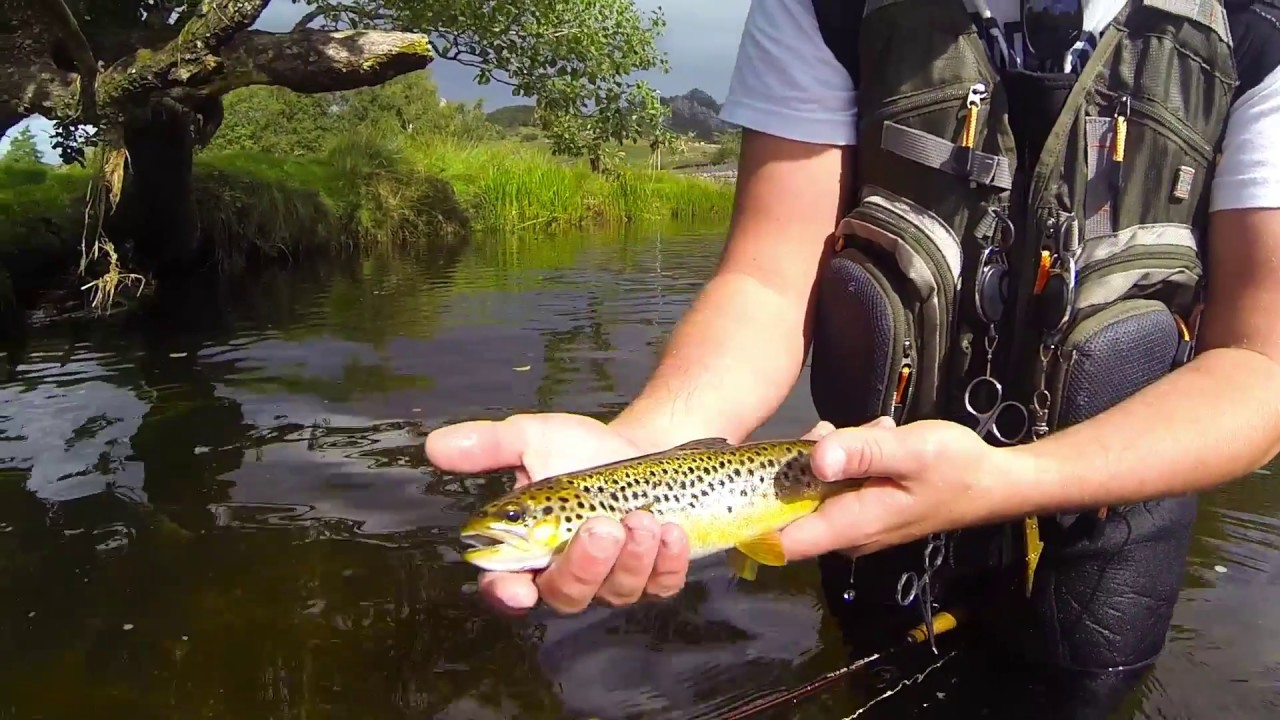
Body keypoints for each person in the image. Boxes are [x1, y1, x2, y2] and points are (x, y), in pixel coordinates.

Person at [427, 0, 1280, 716]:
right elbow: (766, 284)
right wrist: (640, 448)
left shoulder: (1255, 28)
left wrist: (1008, 481)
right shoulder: (824, 6)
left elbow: (1261, 367)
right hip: (869, 509)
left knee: (1083, 695)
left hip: (1116, 513)